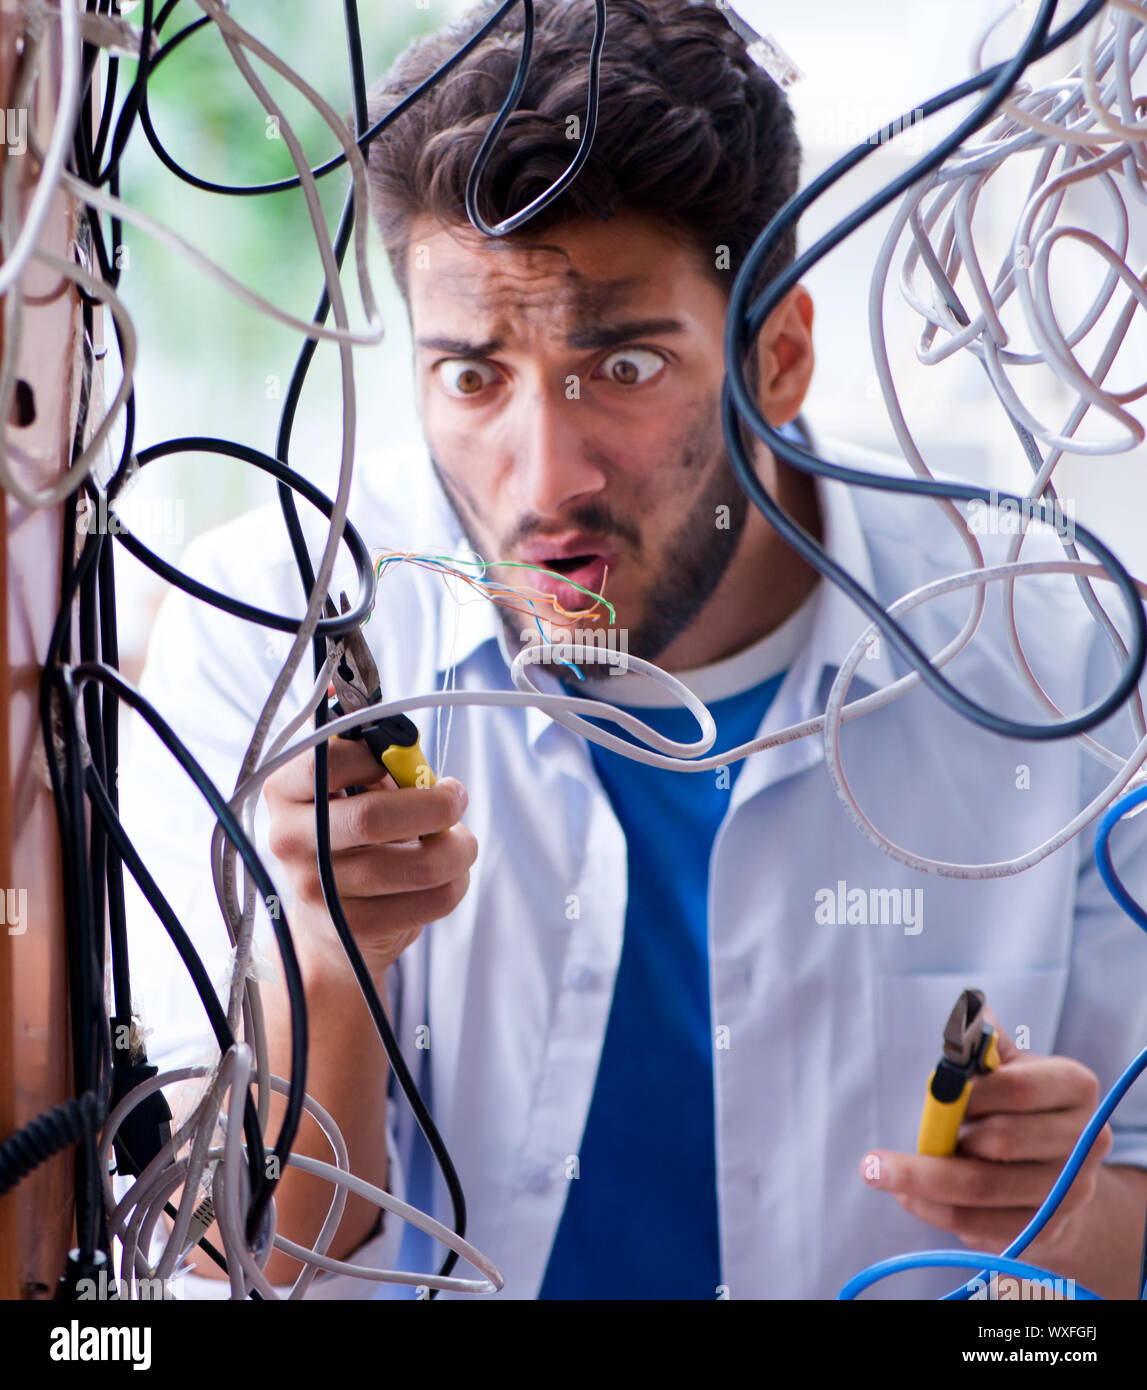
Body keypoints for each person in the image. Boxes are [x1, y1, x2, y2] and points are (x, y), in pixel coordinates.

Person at [121, 0, 1147, 1299]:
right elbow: (234, 1261)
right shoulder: (261, 633)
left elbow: (1127, 1237)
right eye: (474, 376)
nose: (545, 482)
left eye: (622, 367)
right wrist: (325, 965)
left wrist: (1063, 1213)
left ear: (778, 356)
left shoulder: (1065, 662)